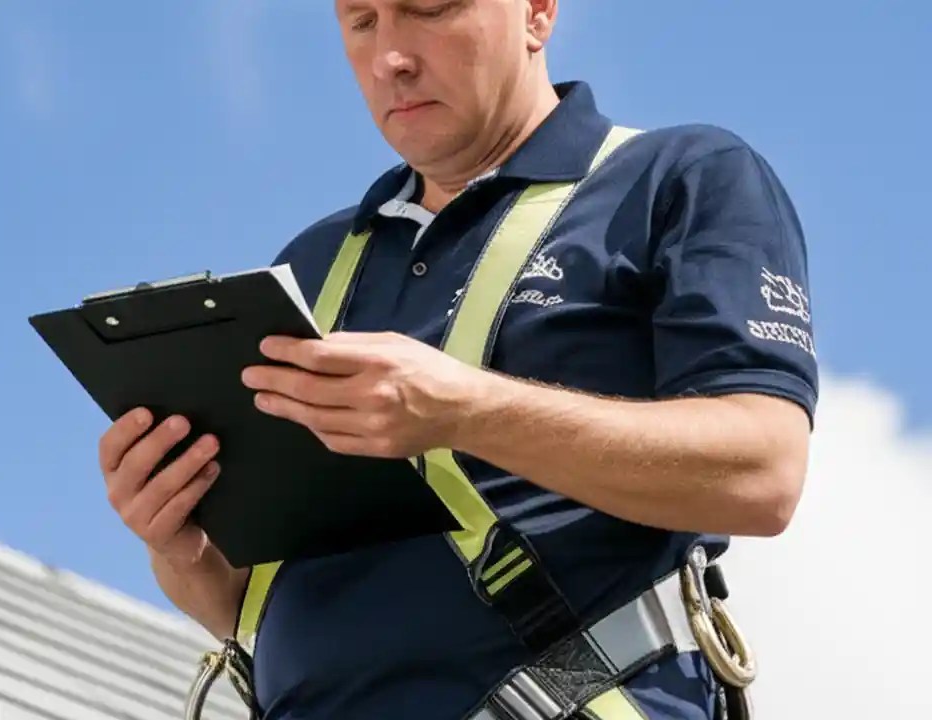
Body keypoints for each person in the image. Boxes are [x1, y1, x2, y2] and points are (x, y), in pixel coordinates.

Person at [98, 1, 816, 718]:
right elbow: (241, 605)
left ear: (536, 13)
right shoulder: (309, 269)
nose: (391, 58)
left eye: (428, 10)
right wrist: (178, 544)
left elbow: (763, 470)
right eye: (361, 21)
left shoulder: (677, 180)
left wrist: (463, 408)